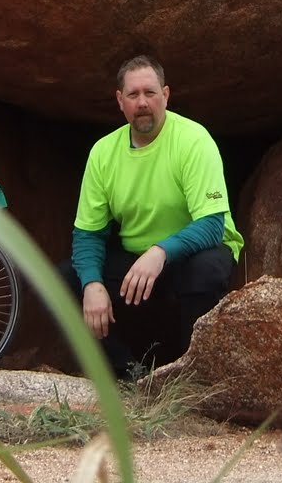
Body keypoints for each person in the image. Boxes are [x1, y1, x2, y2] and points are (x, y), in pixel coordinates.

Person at [59, 54, 242, 375]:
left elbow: (212, 225)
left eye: (150, 92)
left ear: (166, 96)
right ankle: (129, 374)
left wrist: (160, 252)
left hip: (191, 255)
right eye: (133, 94)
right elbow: (88, 234)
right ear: (120, 101)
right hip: (136, 261)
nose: (142, 102)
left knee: (206, 271)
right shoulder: (103, 153)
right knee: (67, 278)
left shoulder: (193, 140)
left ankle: (193, 375)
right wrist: (92, 283)